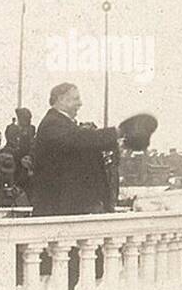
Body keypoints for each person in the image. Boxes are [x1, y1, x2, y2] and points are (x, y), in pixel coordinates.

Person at [30, 83, 122, 216]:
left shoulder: (63, 124)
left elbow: (82, 141)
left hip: (66, 208)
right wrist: (115, 133)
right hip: (59, 209)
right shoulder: (52, 123)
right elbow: (80, 139)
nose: (80, 104)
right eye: (76, 99)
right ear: (61, 99)